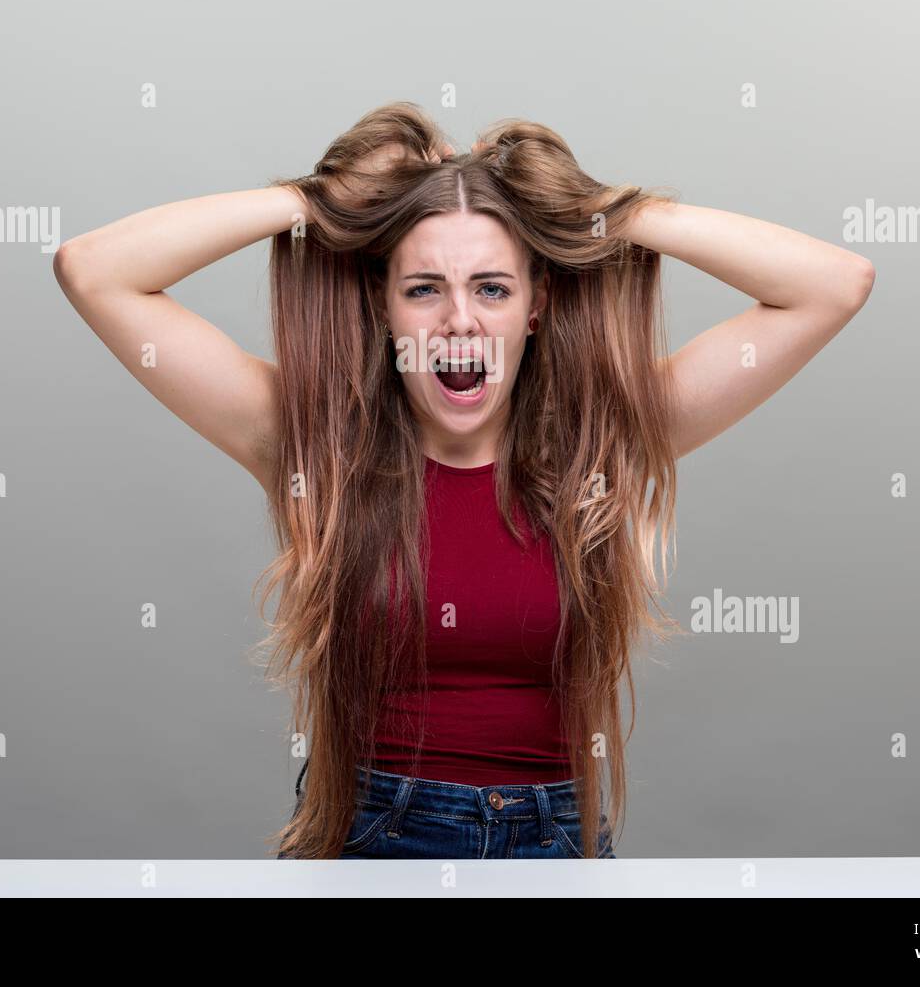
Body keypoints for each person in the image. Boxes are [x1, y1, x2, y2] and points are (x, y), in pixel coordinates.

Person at [52, 101, 874, 859]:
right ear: (383, 308)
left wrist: (607, 210)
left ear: (536, 303)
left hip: (559, 847)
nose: (459, 320)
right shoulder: (317, 448)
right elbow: (94, 270)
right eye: (422, 289)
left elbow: (832, 286)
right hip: (375, 839)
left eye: (490, 287)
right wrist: (315, 202)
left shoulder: (603, 444)